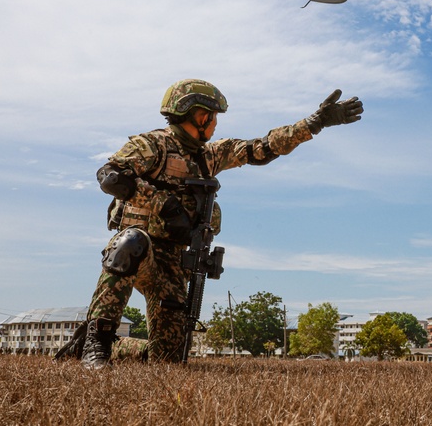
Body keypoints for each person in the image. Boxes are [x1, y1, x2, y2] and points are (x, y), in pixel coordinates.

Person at [57, 79, 362, 368]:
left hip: (176, 262)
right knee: (130, 242)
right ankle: (97, 343)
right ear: (198, 116)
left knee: (168, 360)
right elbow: (110, 176)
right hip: (142, 250)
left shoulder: (211, 155)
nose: (216, 124)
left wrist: (314, 123)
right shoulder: (153, 145)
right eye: (213, 117)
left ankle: (97, 344)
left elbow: (264, 148)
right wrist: (163, 204)